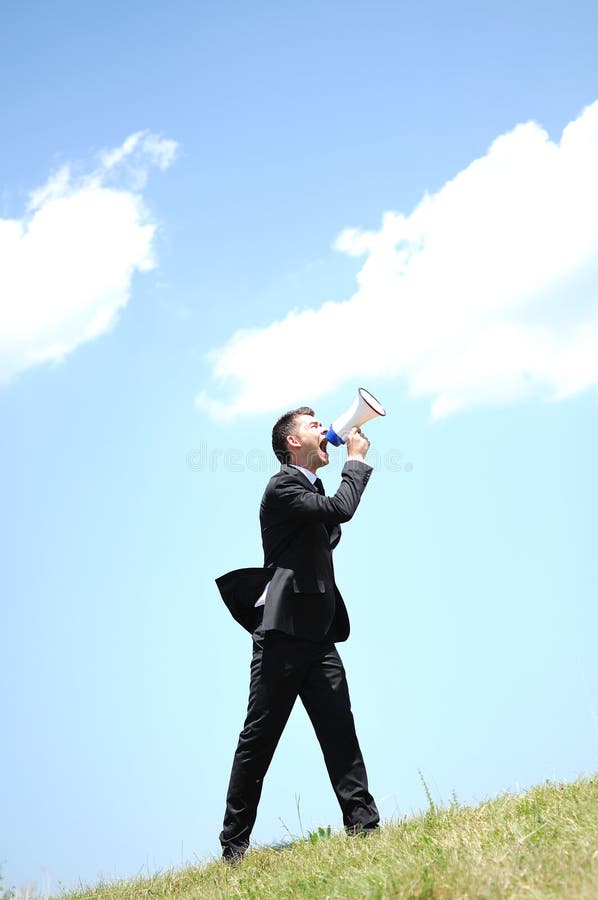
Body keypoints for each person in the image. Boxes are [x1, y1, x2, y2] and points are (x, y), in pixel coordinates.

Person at [216, 406, 380, 865]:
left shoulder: (311, 490)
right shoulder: (282, 486)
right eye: (314, 425)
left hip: (318, 634)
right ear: (292, 442)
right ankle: (233, 847)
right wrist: (355, 460)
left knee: (340, 731)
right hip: (282, 635)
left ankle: (364, 827)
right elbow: (342, 510)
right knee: (259, 740)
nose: (324, 429)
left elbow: (330, 520)